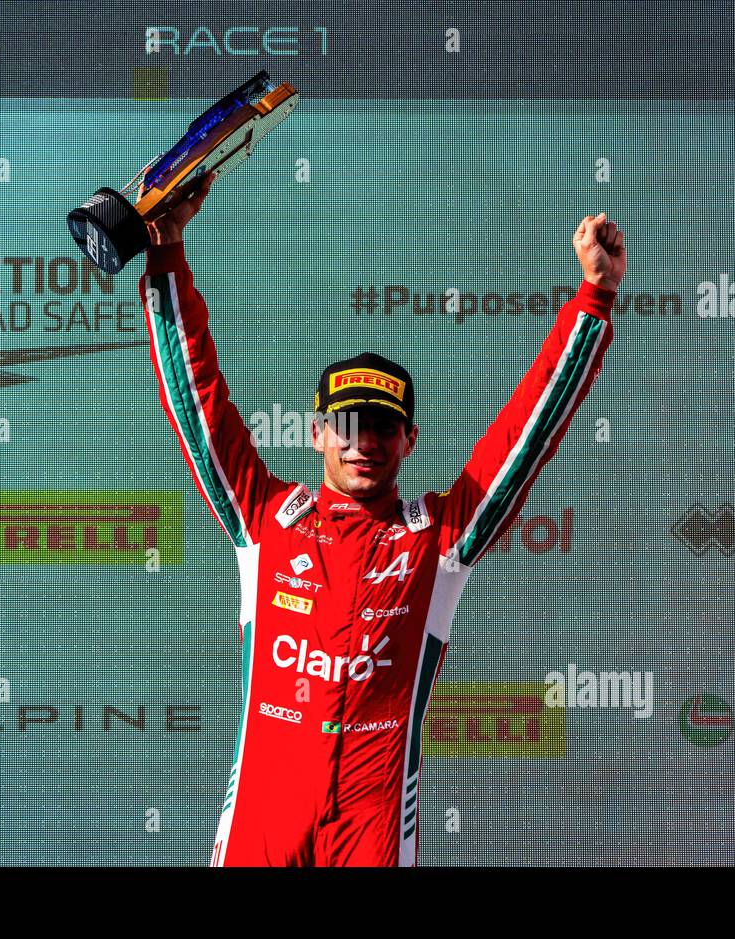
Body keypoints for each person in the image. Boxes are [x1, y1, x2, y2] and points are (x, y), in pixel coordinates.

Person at [137, 170, 625, 866]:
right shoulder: (266, 518)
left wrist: (594, 295)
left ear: (409, 439)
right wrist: (167, 254)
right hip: (263, 822)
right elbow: (197, 401)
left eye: (382, 428)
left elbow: (528, 431)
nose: (363, 443)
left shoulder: (440, 540)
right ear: (316, 433)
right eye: (346, 425)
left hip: (372, 826)